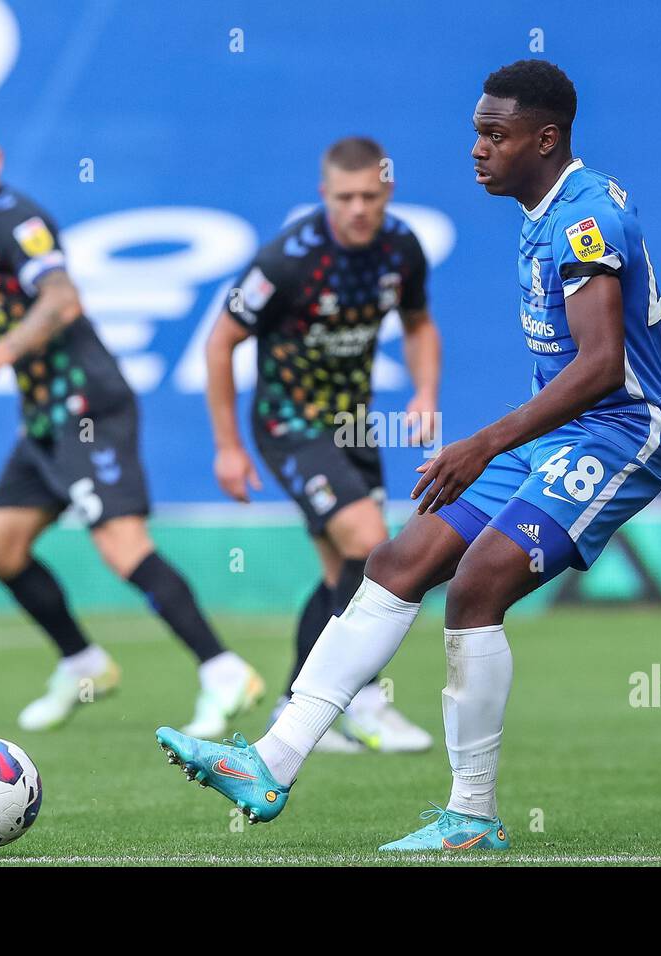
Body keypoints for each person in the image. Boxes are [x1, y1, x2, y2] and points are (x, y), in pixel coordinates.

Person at [154, 59, 661, 851]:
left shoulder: (584, 221)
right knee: (399, 561)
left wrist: (484, 440)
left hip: (619, 433)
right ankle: (271, 759)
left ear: (545, 138)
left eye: (494, 136)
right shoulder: (547, 207)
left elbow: (602, 366)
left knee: (474, 588)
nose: (477, 149)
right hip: (556, 435)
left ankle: (472, 815)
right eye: (476, 131)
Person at [0, 113, 262, 735]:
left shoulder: (14, 221)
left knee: (122, 546)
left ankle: (223, 670)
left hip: (86, 407)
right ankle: (84, 663)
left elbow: (62, 298)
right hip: (44, 418)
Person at [204, 136, 441, 752]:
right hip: (290, 424)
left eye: (370, 195)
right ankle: (358, 699)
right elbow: (219, 342)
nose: (359, 208)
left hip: (354, 427)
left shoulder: (401, 249)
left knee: (345, 572)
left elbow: (418, 323)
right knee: (372, 547)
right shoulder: (287, 260)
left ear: (386, 190)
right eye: (346, 197)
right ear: (324, 194)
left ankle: (296, 708)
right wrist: (228, 448)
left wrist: (424, 392)